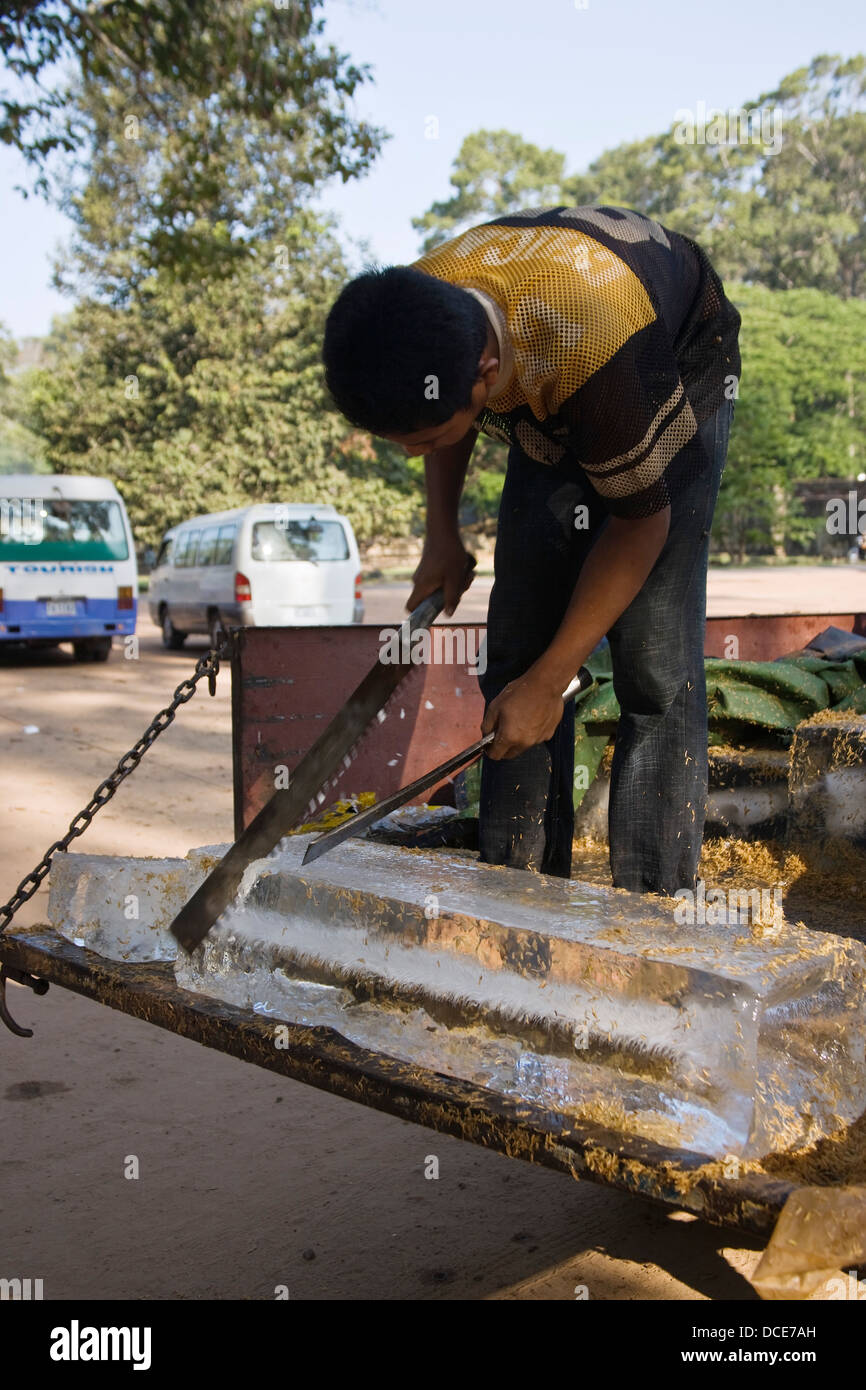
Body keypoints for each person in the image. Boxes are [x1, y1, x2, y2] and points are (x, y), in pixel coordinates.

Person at [322, 205, 740, 895]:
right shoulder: (421, 309)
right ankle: (516, 895)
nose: (414, 453)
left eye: (424, 440)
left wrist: (554, 682)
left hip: (671, 357)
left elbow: (639, 526)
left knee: (652, 665)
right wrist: (441, 536)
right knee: (517, 645)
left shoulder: (600, 355)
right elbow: (440, 417)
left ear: (485, 374)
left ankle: (657, 911)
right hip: (553, 370)